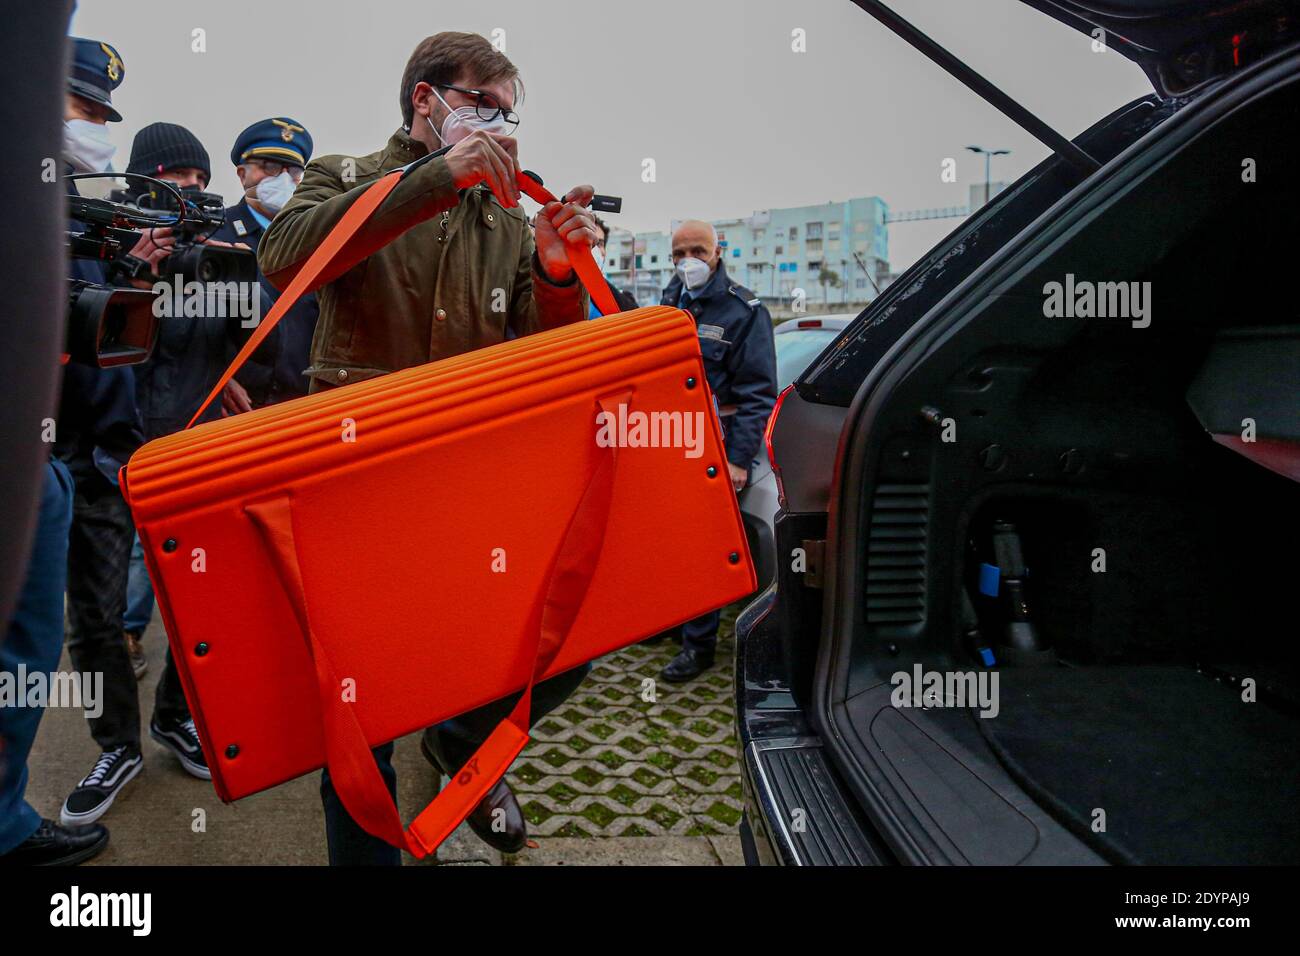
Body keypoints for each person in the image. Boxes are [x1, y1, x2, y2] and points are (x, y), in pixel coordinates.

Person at [258, 31, 601, 865]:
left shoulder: (510, 221)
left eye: (506, 112)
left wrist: (557, 275)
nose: (497, 123)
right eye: (482, 103)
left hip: (465, 480)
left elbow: (537, 345)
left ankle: (459, 738)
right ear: (427, 99)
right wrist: (431, 182)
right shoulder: (341, 173)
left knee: (563, 640)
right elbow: (282, 259)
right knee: (360, 706)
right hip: (356, 478)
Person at [62, 122, 281, 829]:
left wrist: (238, 279)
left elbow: (254, 348)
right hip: (104, 459)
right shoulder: (97, 249)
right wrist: (137, 268)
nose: (185, 192)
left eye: (194, 181)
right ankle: (115, 745)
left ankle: (177, 720)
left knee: (200, 611)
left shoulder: (217, 257)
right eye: (170, 180)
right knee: (95, 617)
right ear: (138, 185)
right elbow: (90, 345)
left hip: (187, 458)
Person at [0, 36, 133, 866]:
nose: (89, 128)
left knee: (30, 646)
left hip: (58, 446)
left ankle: (6, 820)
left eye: (98, 114)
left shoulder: (73, 208)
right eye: (77, 106)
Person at [659, 220, 777, 682]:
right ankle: (673, 621)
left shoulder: (744, 311)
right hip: (674, 436)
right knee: (673, 540)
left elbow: (758, 393)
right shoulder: (671, 301)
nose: (688, 260)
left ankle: (699, 646)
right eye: (679, 252)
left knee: (704, 548)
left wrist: (736, 459)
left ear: (717, 251)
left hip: (719, 440)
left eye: (697, 250)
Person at [211, 117, 320, 412]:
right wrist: (213, 379)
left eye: (293, 170)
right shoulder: (214, 235)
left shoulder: (314, 240)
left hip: (300, 407)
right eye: (269, 167)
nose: (283, 179)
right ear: (242, 173)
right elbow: (188, 322)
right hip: (234, 410)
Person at [590, 216, 638, 316]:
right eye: (589, 242)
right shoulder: (558, 292)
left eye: (599, 243)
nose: (594, 248)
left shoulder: (621, 297)